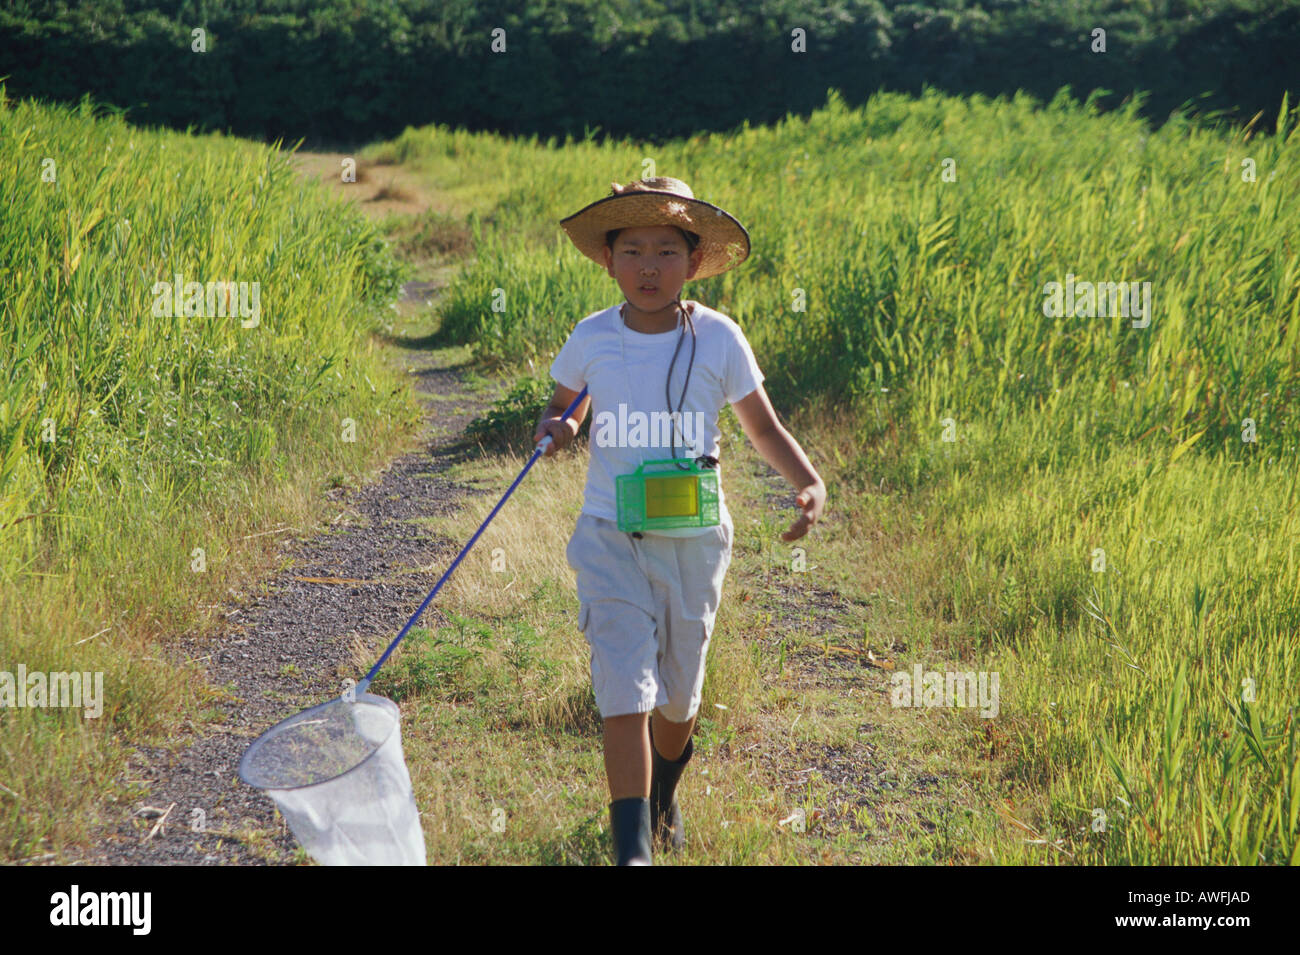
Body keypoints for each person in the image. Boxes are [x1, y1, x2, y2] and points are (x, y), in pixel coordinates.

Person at [534, 177, 826, 865]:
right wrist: (561, 426)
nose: (647, 266)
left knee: (675, 702)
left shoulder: (719, 338)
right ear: (608, 260)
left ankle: (665, 789)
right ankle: (631, 849)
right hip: (609, 532)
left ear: (694, 261)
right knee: (623, 687)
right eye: (632, 249)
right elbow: (567, 402)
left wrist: (808, 481)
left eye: (666, 250)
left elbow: (762, 426)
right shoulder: (592, 335)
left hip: (694, 541)